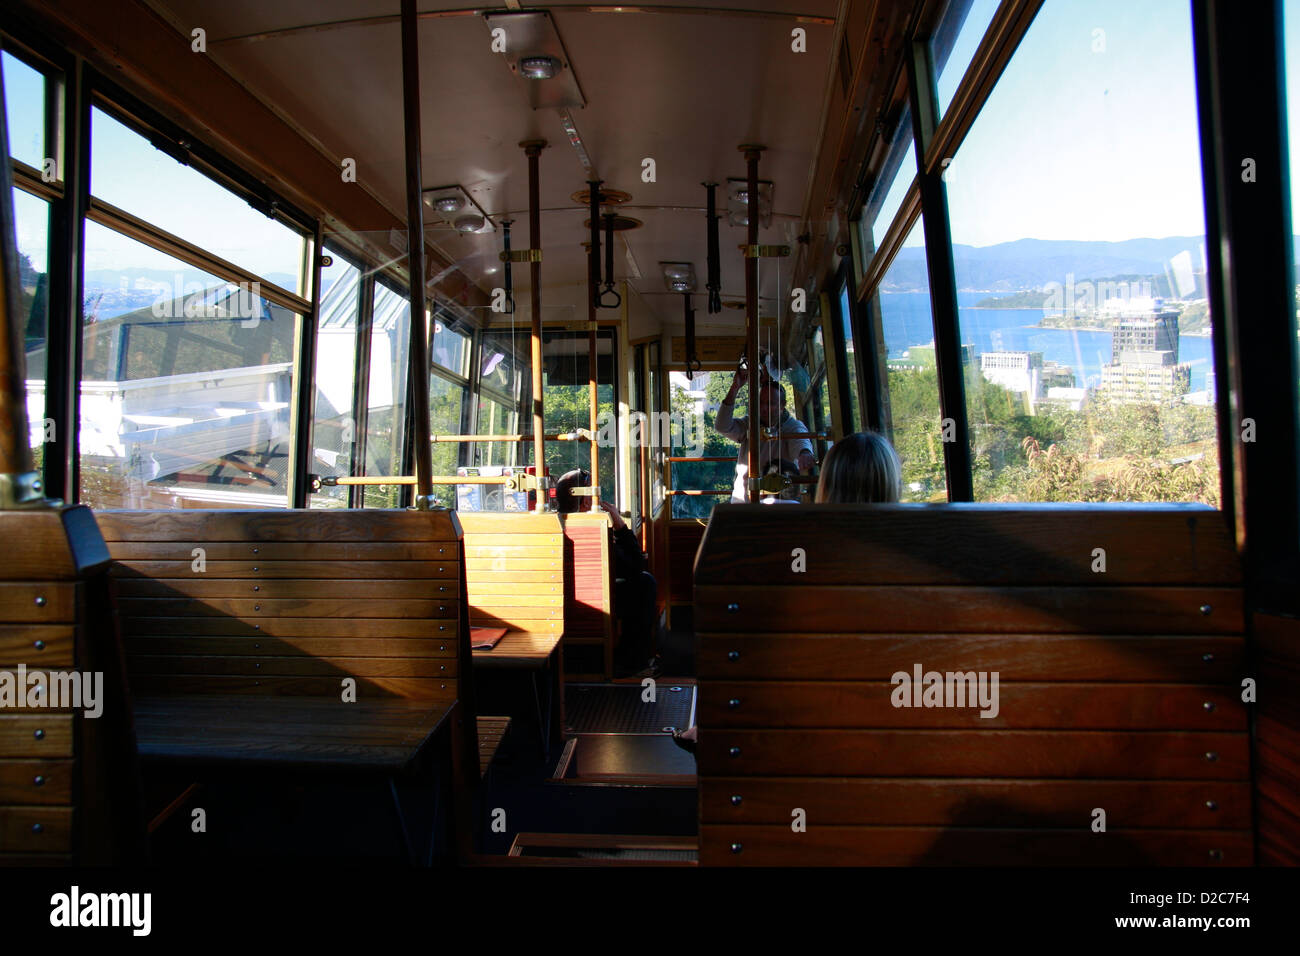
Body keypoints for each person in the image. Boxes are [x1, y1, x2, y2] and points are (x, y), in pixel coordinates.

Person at [672, 430, 903, 754]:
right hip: (894, 724)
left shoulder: (803, 556)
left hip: (805, 727)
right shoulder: (915, 559)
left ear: (827, 485)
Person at [554, 469, 661, 678]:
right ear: (584, 501)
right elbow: (635, 565)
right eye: (593, 495)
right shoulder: (591, 531)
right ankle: (633, 663)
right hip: (592, 602)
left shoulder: (559, 522)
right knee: (644, 585)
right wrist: (620, 525)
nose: (598, 500)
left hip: (570, 600)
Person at [715, 368, 815, 502]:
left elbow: (800, 440)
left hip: (778, 502)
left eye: (771, 403)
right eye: (761, 402)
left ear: (782, 405)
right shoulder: (749, 424)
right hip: (743, 499)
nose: (764, 408)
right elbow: (722, 426)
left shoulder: (792, 426)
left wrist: (805, 453)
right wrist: (735, 387)